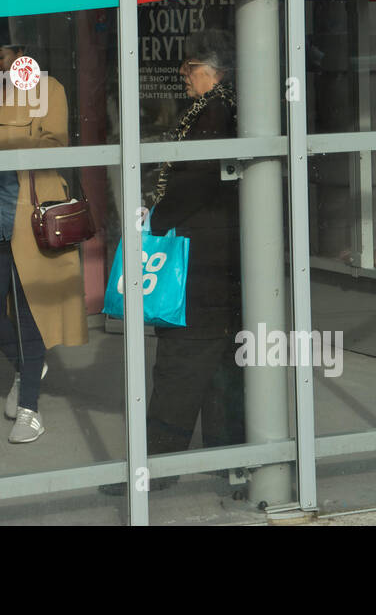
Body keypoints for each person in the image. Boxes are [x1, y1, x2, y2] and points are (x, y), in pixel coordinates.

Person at [0, 44, 87, 444]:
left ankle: (30, 409)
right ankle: (25, 365)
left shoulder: (49, 89)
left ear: (23, 55)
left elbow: (55, 144)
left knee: (31, 312)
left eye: (1, 54)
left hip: (31, 215)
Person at [144, 28, 244, 475]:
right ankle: (232, 464)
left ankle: (158, 469)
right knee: (222, 364)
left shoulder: (214, 111)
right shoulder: (226, 106)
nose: (183, 75)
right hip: (220, 258)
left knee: (181, 363)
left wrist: (157, 216)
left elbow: (195, 179)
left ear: (211, 69)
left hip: (199, 260)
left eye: (188, 68)